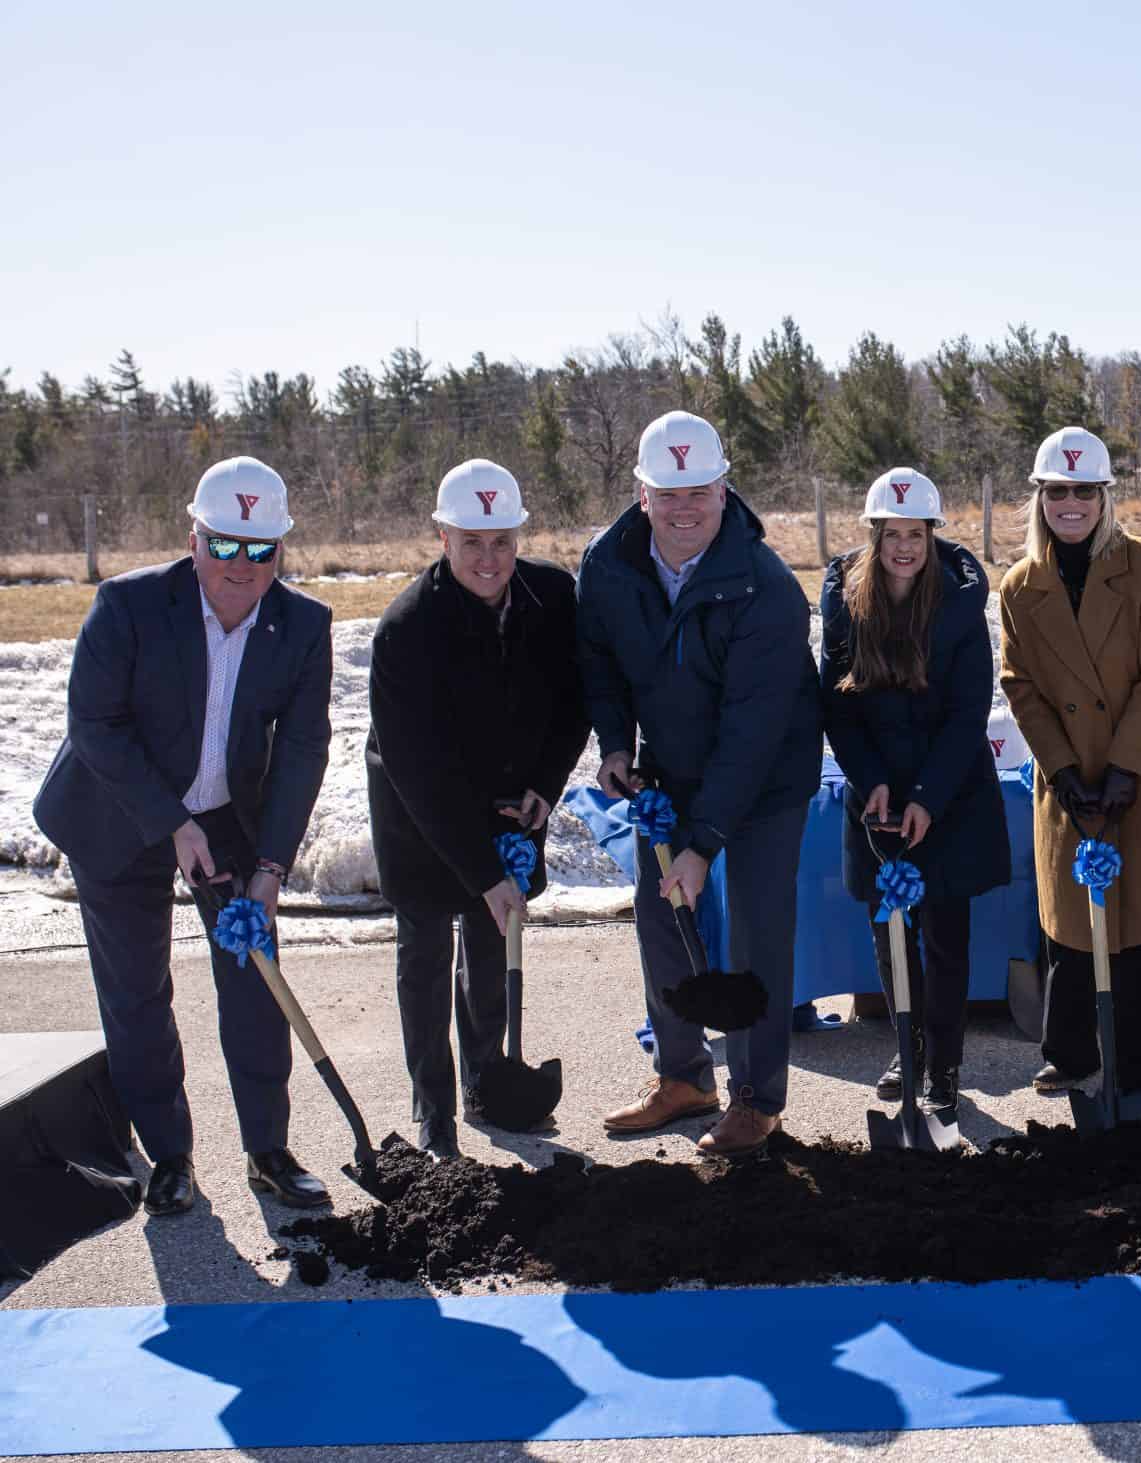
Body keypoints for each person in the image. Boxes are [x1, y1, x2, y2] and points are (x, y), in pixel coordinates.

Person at [33, 458, 333, 1215]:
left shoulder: (302, 626)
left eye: (259, 549)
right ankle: (171, 1156)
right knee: (138, 992)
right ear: (192, 537)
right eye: (223, 544)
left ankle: (268, 1150)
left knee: (254, 974)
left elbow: (301, 751)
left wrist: (268, 868)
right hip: (115, 814)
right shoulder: (128, 605)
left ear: (280, 552)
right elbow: (94, 725)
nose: (241, 565)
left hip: (229, 817)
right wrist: (170, 823)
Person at [578, 411, 822, 1155]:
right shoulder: (609, 562)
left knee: (753, 930)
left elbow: (752, 732)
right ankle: (684, 1075)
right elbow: (600, 660)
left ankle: (755, 1098)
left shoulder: (766, 586)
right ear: (640, 492)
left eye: (701, 493)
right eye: (668, 494)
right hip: (674, 765)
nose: (685, 510)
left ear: (725, 488)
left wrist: (705, 842)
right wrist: (618, 742)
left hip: (768, 774)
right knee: (661, 913)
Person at [365, 460, 590, 1158]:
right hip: (418, 806)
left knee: (492, 940)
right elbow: (419, 771)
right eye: (472, 542)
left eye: (502, 540)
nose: (489, 559)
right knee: (428, 948)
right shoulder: (406, 630)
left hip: (509, 797)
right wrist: (482, 870)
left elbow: (575, 701)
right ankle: (434, 1107)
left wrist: (547, 785)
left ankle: (488, 1079)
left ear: (520, 533)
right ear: (442, 536)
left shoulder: (554, 597)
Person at [998, 426, 1141, 1114]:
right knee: (1073, 929)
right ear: (1041, 498)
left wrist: (1123, 767)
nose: (1071, 503)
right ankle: (1070, 1052)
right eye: (1057, 490)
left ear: (1103, 497)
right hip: (1071, 776)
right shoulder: (1020, 584)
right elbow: (1020, 683)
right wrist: (1061, 770)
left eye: (1084, 490)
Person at [819, 469, 1007, 1109]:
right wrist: (871, 783)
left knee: (944, 940)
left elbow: (968, 708)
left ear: (931, 536)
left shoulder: (957, 598)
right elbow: (836, 704)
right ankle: (909, 1053)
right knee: (889, 934)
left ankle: (945, 1068)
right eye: (891, 533)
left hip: (947, 790)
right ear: (874, 535)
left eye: (915, 534)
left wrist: (927, 795)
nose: (903, 546)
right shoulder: (845, 595)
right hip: (876, 793)